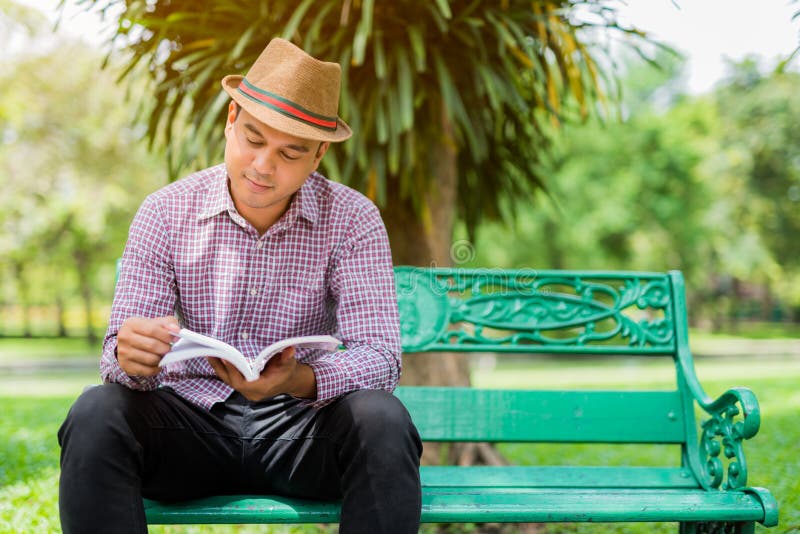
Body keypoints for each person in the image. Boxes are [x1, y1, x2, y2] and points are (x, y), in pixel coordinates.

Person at [58, 38, 422, 534]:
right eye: (253, 139)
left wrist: (297, 380)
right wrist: (130, 355)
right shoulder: (165, 212)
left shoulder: (353, 218)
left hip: (300, 431)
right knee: (96, 411)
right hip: (188, 427)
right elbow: (117, 365)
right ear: (231, 120)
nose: (262, 166)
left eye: (290, 152)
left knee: (382, 418)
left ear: (317, 156)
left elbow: (381, 358)